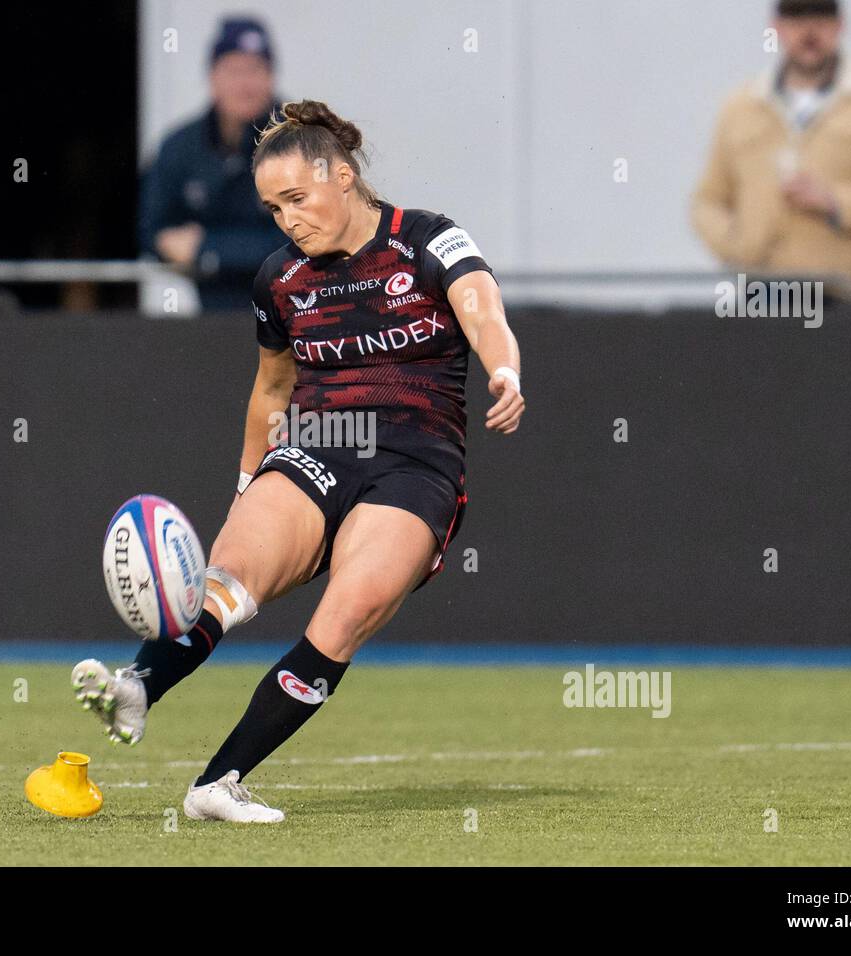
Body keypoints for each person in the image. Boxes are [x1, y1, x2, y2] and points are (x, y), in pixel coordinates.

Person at [74, 99, 525, 823]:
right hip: (317, 448)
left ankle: (216, 785)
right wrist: (248, 483)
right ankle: (139, 687)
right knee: (224, 582)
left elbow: (483, 310)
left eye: (297, 198)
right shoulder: (280, 278)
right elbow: (274, 387)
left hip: (415, 466)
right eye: (271, 206)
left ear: (342, 176)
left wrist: (505, 371)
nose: (286, 219)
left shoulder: (427, 240)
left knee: (344, 616)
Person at [691, 0, 851, 309]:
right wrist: (737, 243)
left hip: (850, 299)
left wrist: (837, 202)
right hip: (764, 295)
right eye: (796, 17)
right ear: (777, 27)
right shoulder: (742, 107)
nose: (809, 31)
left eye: (821, 17)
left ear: (840, 25)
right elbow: (707, 200)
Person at [137, 17, 286, 310]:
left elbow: (308, 238)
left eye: (255, 69)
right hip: (212, 317)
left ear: (271, 77)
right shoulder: (181, 147)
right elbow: (151, 230)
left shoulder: (301, 140)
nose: (245, 83)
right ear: (213, 77)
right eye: (233, 70)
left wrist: (207, 247)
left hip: (294, 316)